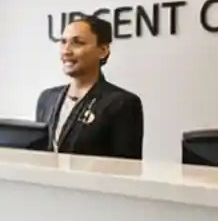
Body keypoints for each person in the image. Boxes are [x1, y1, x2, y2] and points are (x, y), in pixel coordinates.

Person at [35, 15, 144, 159]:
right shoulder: (48, 98)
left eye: (77, 43)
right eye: (63, 42)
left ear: (103, 50)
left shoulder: (121, 103)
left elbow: (127, 169)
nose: (66, 51)